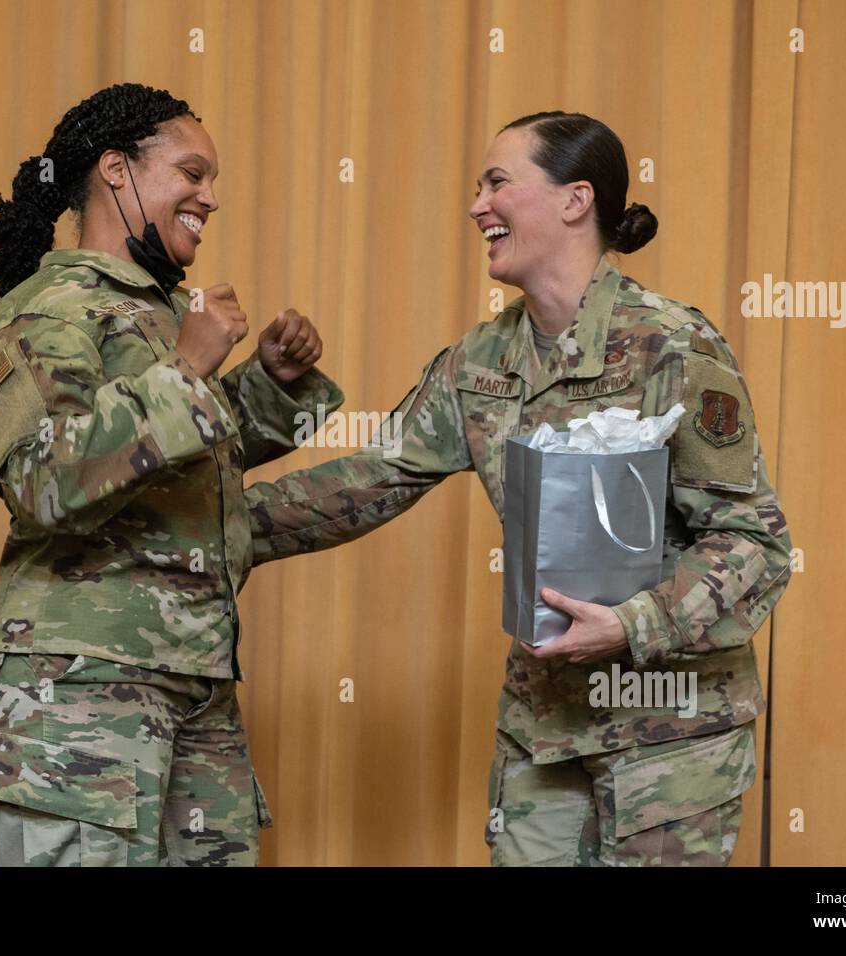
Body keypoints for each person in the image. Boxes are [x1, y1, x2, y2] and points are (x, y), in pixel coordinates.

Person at [245, 111, 793, 866]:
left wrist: (633, 623)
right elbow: (369, 480)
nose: (477, 206)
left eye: (497, 183)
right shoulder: (479, 361)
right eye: (477, 186)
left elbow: (758, 544)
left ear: (575, 200)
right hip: (543, 727)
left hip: (669, 737)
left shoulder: (673, 345)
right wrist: (207, 527)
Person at [0, 83, 342, 866]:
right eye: (192, 174)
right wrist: (189, 367)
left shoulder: (157, 313)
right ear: (116, 170)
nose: (209, 198)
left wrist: (269, 382)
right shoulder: (47, 311)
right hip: (78, 693)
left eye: (213, 182)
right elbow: (41, 479)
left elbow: (191, 468)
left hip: (193, 682)